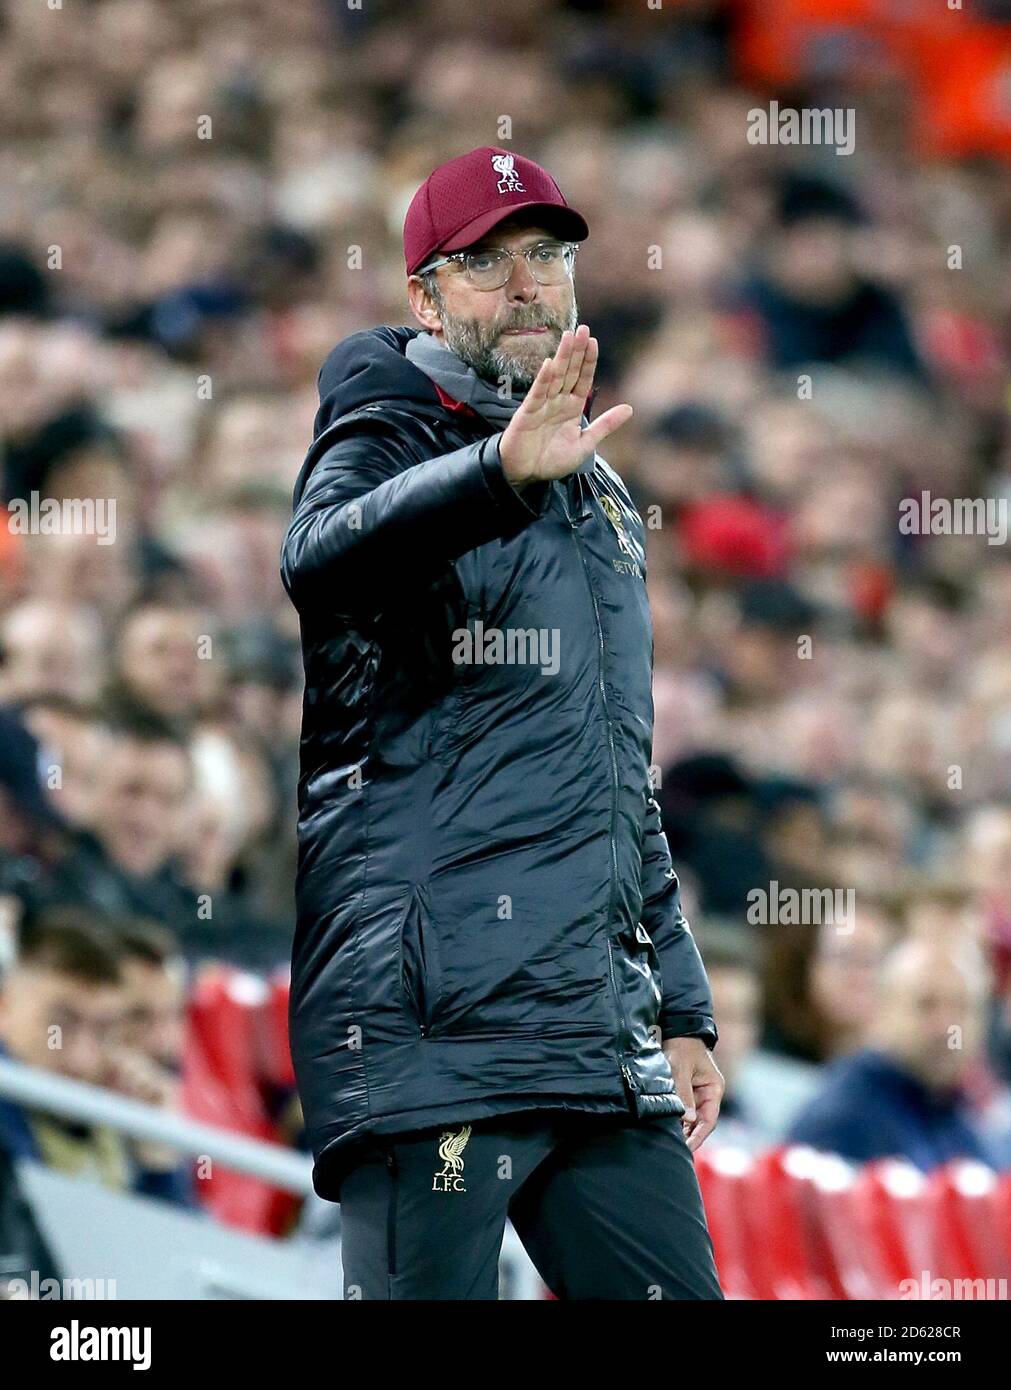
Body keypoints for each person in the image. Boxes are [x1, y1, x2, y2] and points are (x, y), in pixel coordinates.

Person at [281, 146, 724, 1300]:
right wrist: (493, 474)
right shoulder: (388, 421)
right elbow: (320, 559)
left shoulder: (601, 490)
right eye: (484, 262)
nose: (526, 284)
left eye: (545, 255)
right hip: (433, 1026)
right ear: (423, 297)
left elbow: (617, 774)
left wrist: (678, 1003)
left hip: (594, 1032)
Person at [0, 909, 192, 1204]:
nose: (81, 1060)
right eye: (60, 1025)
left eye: (103, 1031)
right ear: (4, 1008)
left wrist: (159, 1165)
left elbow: (183, 1248)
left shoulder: (122, 1115)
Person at [787, 935, 997, 1171]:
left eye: (962, 1008)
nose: (946, 1028)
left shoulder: (958, 1122)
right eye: (926, 1004)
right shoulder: (842, 1120)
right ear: (882, 1009)